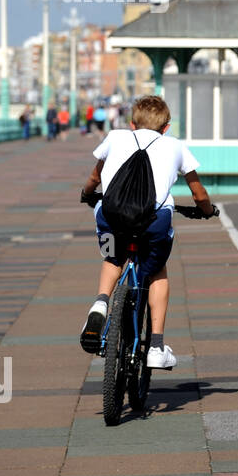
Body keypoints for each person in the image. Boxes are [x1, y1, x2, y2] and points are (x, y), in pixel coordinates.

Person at [77, 95, 216, 368]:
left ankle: (101, 304)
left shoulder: (116, 137)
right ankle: (155, 347)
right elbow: (198, 192)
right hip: (154, 223)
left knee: (113, 258)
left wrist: (86, 194)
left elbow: (94, 178)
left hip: (110, 218)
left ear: (132, 124)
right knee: (156, 270)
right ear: (166, 127)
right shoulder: (175, 146)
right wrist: (207, 210)